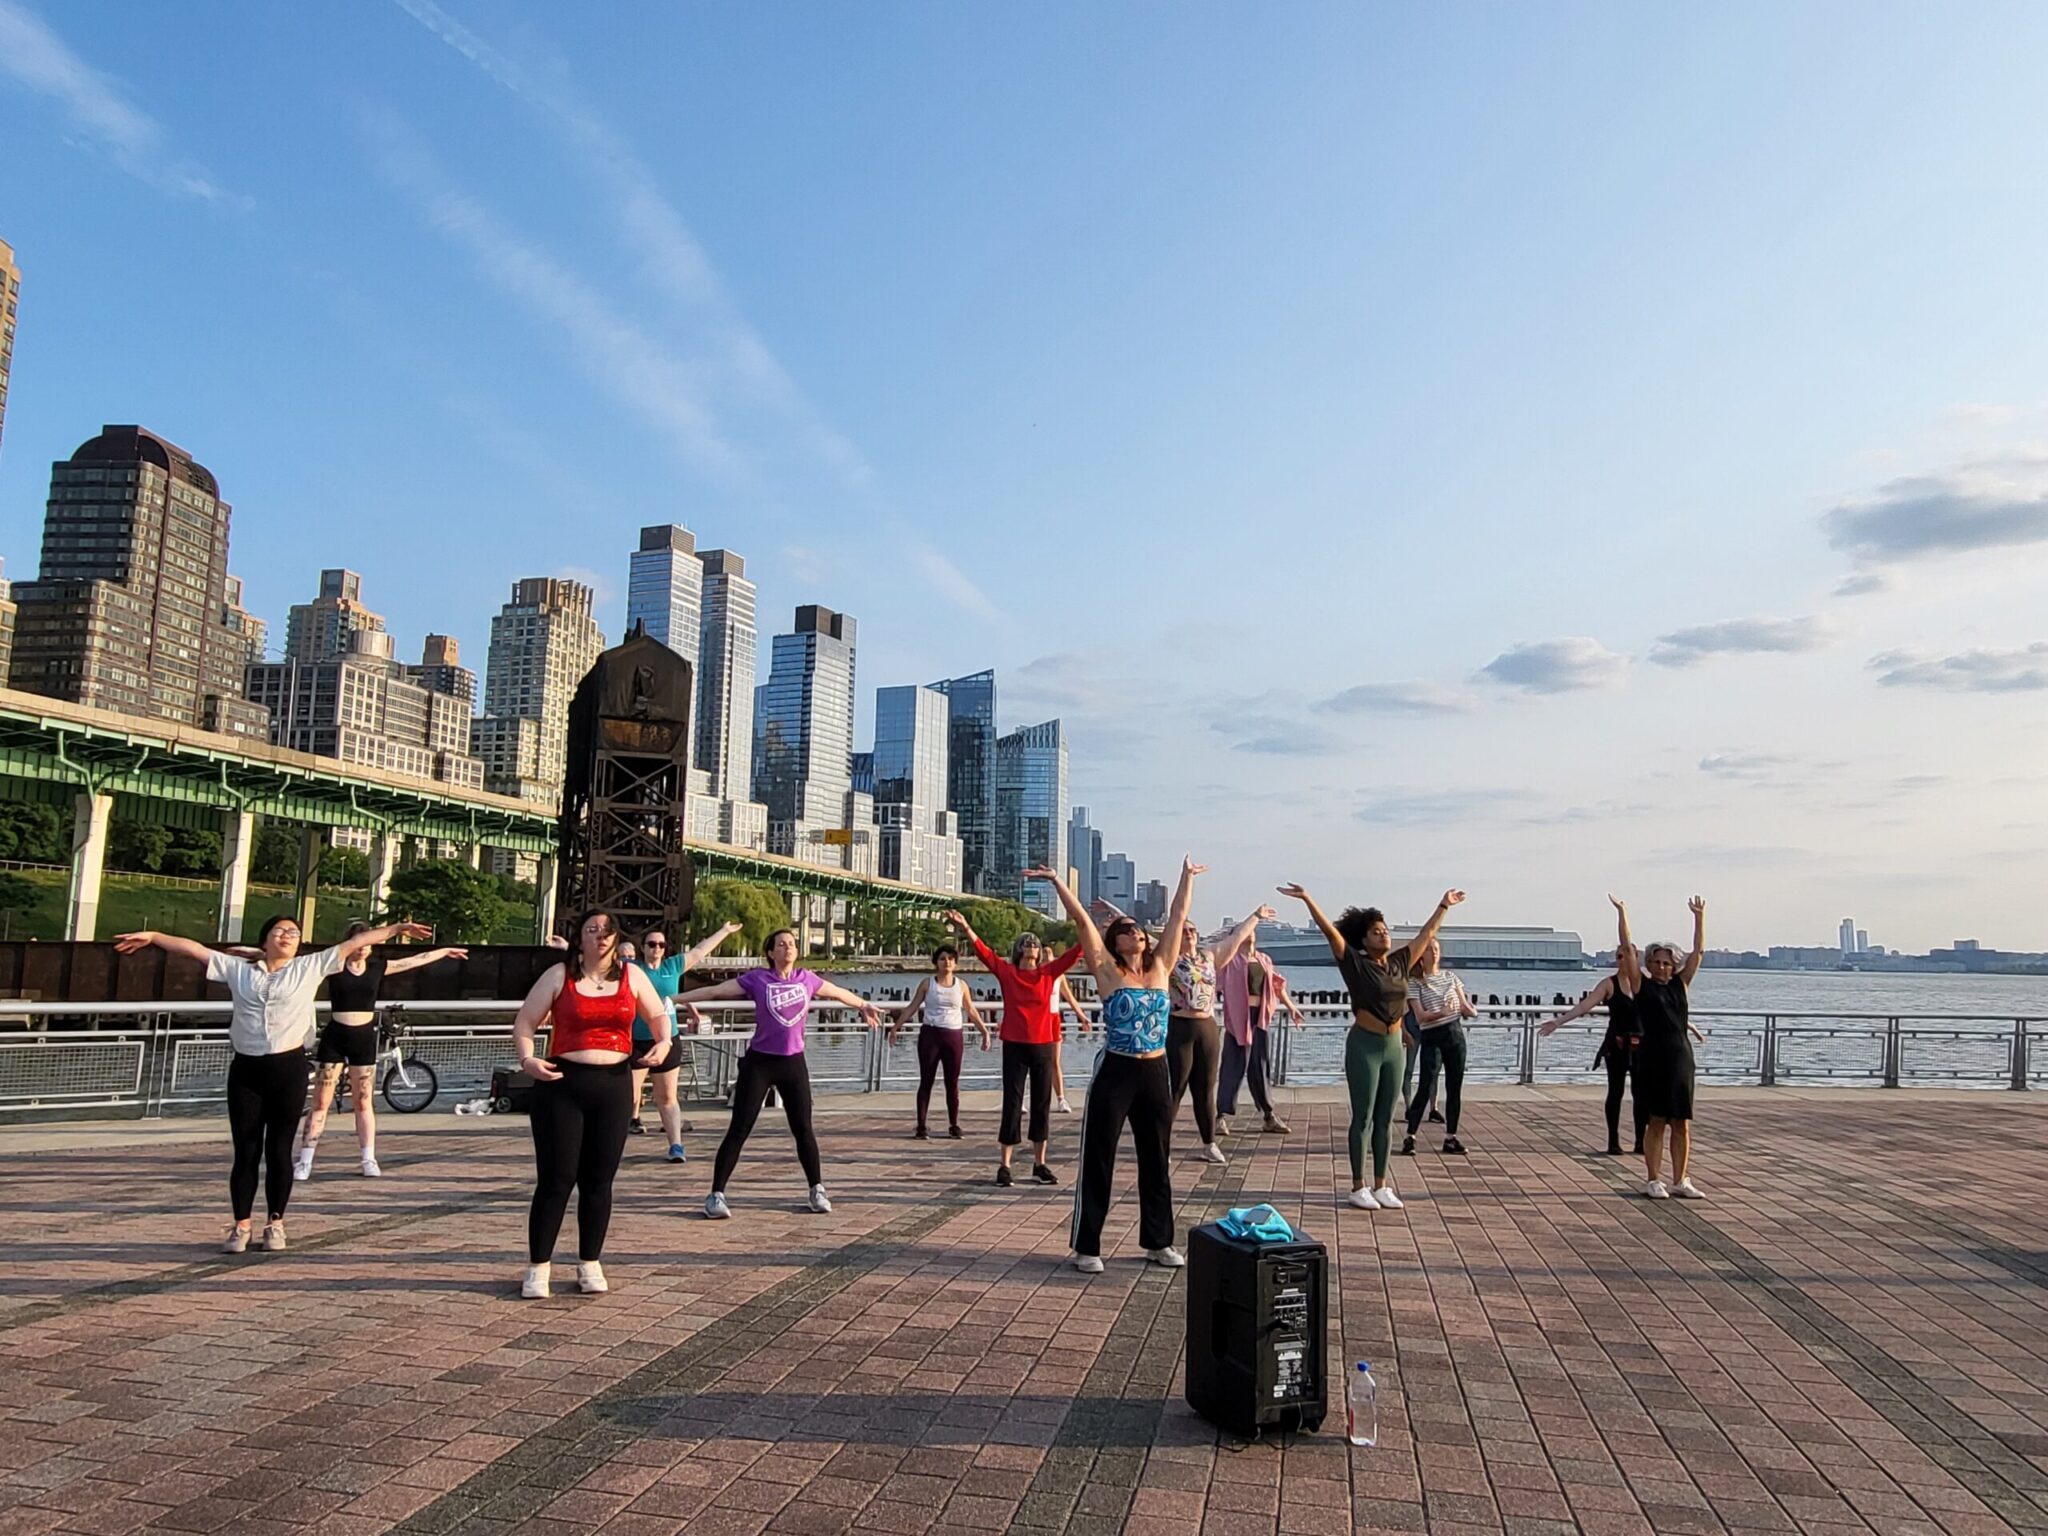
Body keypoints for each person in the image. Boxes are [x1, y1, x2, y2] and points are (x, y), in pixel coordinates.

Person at [114, 916, 434, 1254]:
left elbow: (356, 943)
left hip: (289, 1068)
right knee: (246, 1151)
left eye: (294, 933)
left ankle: (275, 1224)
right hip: (247, 1070)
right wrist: (152, 935)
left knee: (279, 1150)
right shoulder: (237, 969)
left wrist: (397, 930)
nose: (287, 936)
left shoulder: (309, 967)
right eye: (280, 931)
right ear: (264, 940)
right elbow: (193, 949)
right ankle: (241, 1226)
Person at [1028, 860, 1200, 1273]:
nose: (1133, 933)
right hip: (1117, 1072)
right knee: (1099, 1156)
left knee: (1157, 1158)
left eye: (1137, 929)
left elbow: (1177, 916)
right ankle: (1087, 1245)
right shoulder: (1106, 970)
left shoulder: (1160, 968)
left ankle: (1159, 1241)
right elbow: (1082, 920)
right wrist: (1056, 881)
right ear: (1114, 940)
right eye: (1123, 929)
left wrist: (1186, 877)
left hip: (1156, 1071)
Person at [512, 910, 675, 1298]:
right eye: (592, 931)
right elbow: (524, 1024)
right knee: (556, 1178)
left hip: (614, 1085)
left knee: (599, 1181)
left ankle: (590, 1261)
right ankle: (539, 1266)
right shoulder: (559, 976)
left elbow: (658, 1016)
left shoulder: (632, 975)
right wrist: (527, 1059)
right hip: (563, 1084)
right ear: (580, 938)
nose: (600, 938)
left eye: (607, 932)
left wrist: (663, 1042)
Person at [1278, 882, 1465, 1211]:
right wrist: (1308, 898)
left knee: (1386, 1116)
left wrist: (1444, 905)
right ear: (1363, 940)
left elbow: (1426, 933)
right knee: (1362, 1117)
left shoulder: (1399, 963)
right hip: (1365, 1044)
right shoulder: (1355, 963)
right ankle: (1358, 1185)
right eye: (1376, 932)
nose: (1384, 935)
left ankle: (1381, 1184)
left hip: (1394, 1044)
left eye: (1385, 930)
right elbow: (1329, 933)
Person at [674, 929, 883, 1218]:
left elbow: (837, 992)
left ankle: (817, 1189)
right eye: (781, 945)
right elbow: (715, 991)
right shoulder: (757, 979)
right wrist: (674, 998)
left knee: (804, 1129)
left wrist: (863, 1005)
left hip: (793, 1063)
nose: (788, 948)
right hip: (760, 1063)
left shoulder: (806, 979)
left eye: (792, 944)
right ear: (771, 953)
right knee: (739, 1129)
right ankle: (716, 1195)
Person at [293, 923, 468, 1181]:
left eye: (367, 943)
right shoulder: (333, 966)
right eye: (358, 942)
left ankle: (368, 1157)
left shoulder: (377, 968)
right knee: (321, 1102)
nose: (362, 948)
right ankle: (305, 1159)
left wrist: (442, 951)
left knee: (363, 1100)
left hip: (363, 1037)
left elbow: (413, 961)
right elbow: (298, 963)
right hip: (336, 1035)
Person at [943, 915, 1082, 1187]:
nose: (1032, 946)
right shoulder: (1008, 973)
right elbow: (984, 952)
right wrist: (966, 926)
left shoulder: (1048, 972)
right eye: (1027, 943)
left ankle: (1039, 1163)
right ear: (1019, 949)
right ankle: (1005, 1165)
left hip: (1043, 1045)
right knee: (1013, 1104)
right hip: (1015, 1046)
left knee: (1042, 1104)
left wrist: (1093, 930)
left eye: (1035, 944)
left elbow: (1077, 953)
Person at [1612, 895, 1708, 1198]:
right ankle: (1653, 1178)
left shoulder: (1681, 985)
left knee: (1681, 1122)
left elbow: (1699, 952)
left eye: (1667, 963)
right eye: (1656, 962)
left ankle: (1681, 1180)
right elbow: (1628, 949)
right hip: (1653, 1058)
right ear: (1649, 964)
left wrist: (1699, 917)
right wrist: (1623, 913)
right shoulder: (1642, 985)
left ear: (1674, 965)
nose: (1662, 967)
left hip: (1680, 1057)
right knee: (1656, 1120)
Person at [629, 921, 744, 1161]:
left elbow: (699, 952)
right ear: (643, 947)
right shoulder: (632, 969)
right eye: (652, 944)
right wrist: (567, 947)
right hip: (638, 1040)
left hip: (667, 1039)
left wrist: (723, 931)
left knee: (668, 1097)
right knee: (628, 1096)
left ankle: (676, 1146)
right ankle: (611, 1144)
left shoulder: (672, 966)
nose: (657, 948)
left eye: (661, 944)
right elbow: (600, 962)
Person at [1167, 907, 1273, 1165]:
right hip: (1180, 1027)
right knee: (1175, 1089)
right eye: (1184, 931)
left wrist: (1256, 916)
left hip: (1206, 1029)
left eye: (1192, 930)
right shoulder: (1168, 958)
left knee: (1205, 1090)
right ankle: (1162, 1145)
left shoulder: (1209, 956)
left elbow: (1236, 937)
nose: (1189, 934)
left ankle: (1209, 1143)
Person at [1539, 963, 1645, 1156]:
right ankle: (1613, 1141)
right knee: (1616, 1092)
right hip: (1617, 1045)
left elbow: (1665, 1010)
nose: (1623, 960)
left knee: (1642, 1095)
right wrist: (1558, 1022)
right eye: (1619, 956)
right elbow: (1584, 1006)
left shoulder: (1644, 984)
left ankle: (1641, 1141)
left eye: (1627, 956)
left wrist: (1688, 1026)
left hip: (1641, 1045)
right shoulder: (1609, 984)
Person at [888, 944, 992, 1139]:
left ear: (955, 963)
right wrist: (895, 1028)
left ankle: (954, 1124)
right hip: (931, 1036)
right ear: (936, 962)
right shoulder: (928, 984)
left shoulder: (961, 986)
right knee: (926, 1081)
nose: (947, 962)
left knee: (952, 1083)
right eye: (943, 959)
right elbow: (912, 1007)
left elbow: (971, 1010)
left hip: (953, 1037)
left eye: (951, 959)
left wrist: (984, 1031)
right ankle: (921, 1125)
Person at [1216, 933, 1302, 1136]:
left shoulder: (1264, 959)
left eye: (1253, 930)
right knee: (1232, 1066)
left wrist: (1291, 1007)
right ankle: (1220, 1116)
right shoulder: (1230, 960)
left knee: (1260, 1066)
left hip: (1261, 1017)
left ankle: (1268, 1115)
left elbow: (1276, 985)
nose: (1250, 933)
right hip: (1238, 1019)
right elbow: (1212, 982)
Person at [1400, 938, 1477, 1156]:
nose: (1433, 953)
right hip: (1432, 1035)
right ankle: (1410, 1136)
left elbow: (1464, 1005)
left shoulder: (1450, 977)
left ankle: (1451, 1137)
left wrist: (1470, 1011)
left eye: (1436, 949)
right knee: (1426, 1084)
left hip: (1454, 1034)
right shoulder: (1416, 983)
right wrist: (1440, 1013)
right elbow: (1421, 1017)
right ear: (1421, 956)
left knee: (1454, 1088)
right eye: (1428, 950)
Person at [1050, 975, 1089, 1113]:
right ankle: (1022, 1101)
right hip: (1037, 1018)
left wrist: (1082, 1016)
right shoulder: (1036, 972)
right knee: (1031, 1061)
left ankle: (1061, 1099)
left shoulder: (1058, 975)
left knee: (1055, 1061)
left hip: (1053, 1018)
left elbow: (1070, 997)